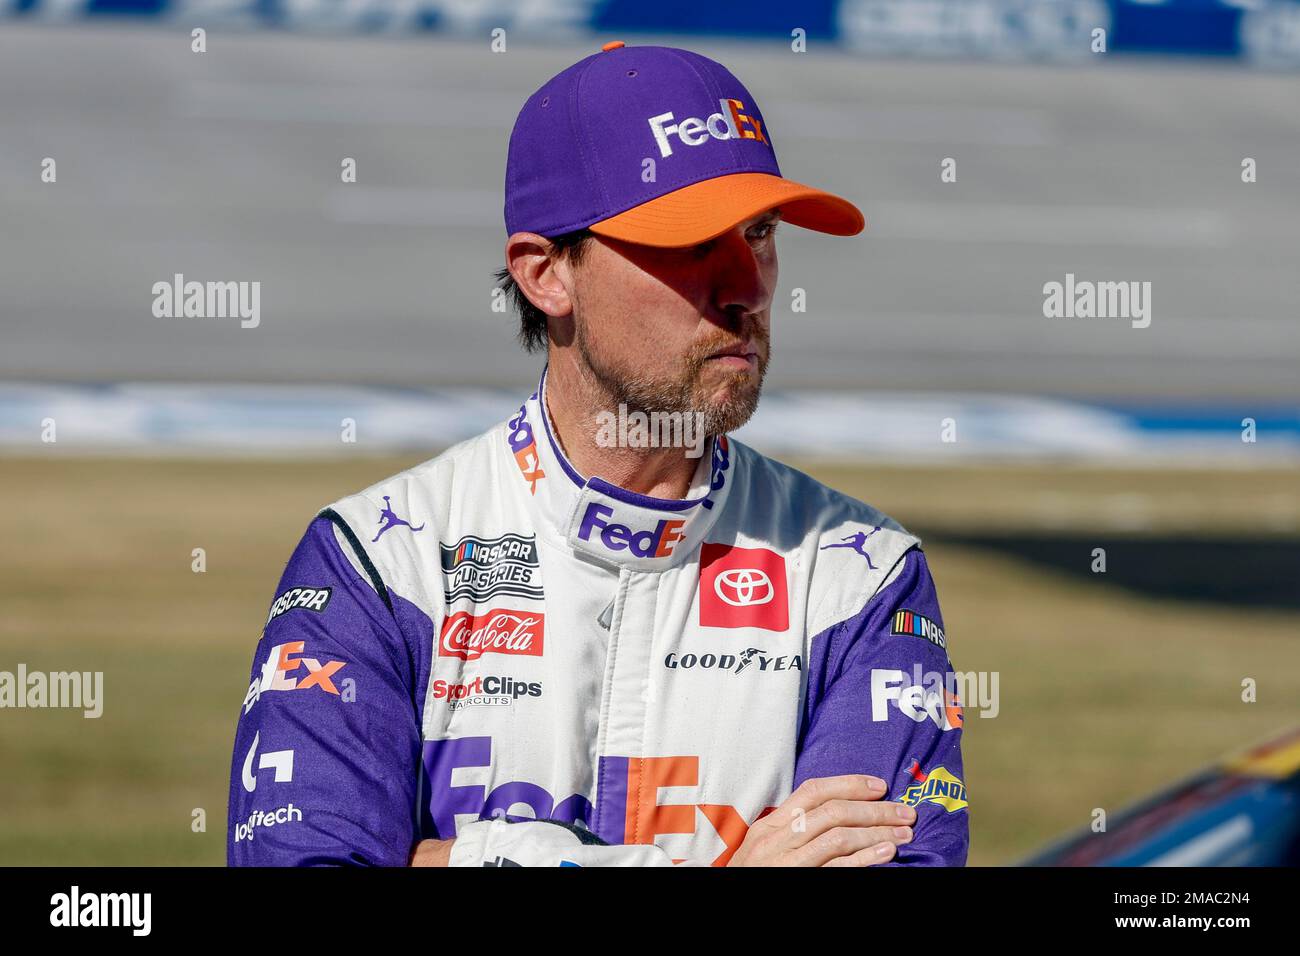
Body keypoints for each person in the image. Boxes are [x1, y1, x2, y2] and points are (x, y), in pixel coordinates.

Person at [227, 41, 967, 867]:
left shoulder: (860, 576)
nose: (746, 287)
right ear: (547, 275)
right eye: (688, 243)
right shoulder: (377, 560)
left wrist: (449, 858)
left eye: (757, 234)